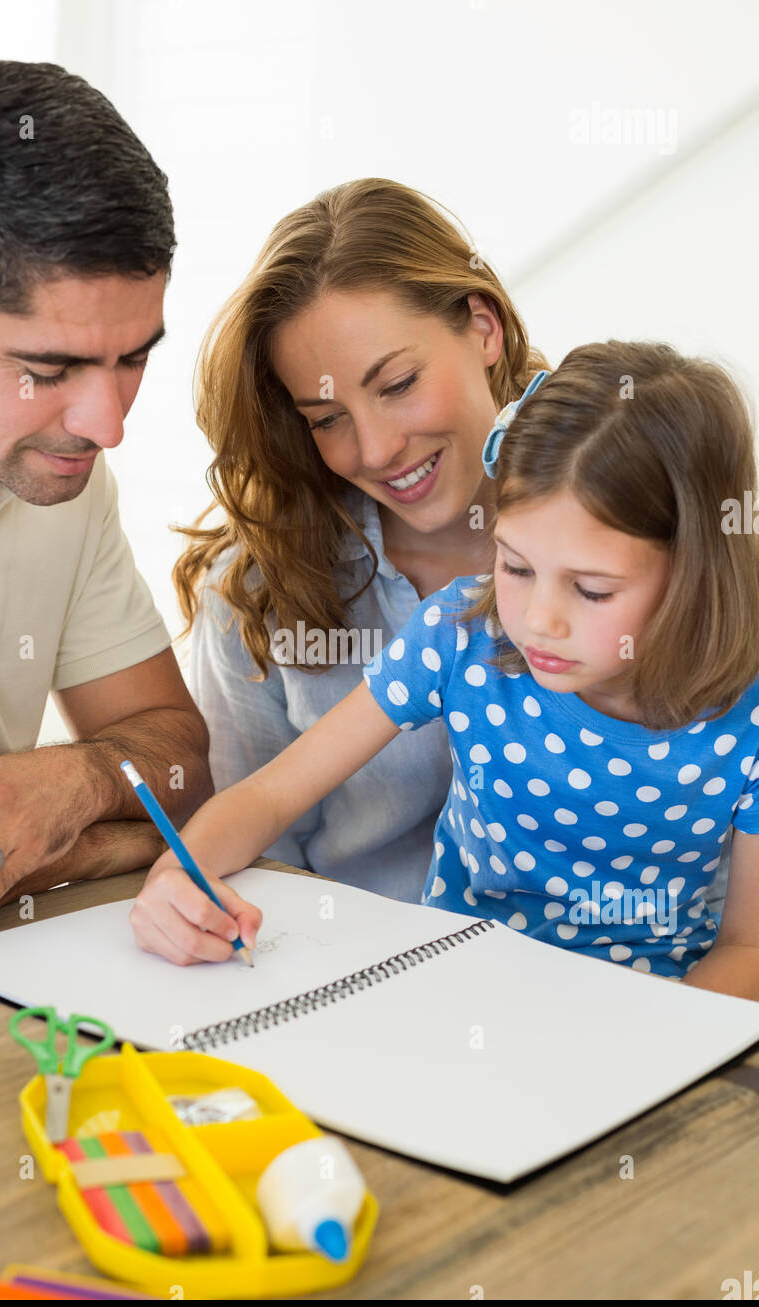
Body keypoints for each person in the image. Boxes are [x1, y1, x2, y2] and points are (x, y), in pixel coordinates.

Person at [130, 341, 759, 1003]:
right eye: (515, 567)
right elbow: (268, 797)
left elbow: (749, 949)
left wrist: (643, 1054)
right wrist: (178, 874)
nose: (539, 620)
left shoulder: (747, 716)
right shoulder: (458, 635)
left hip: (664, 1018)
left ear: (696, 575)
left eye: (592, 591)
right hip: (452, 1001)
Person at [0, 60, 213, 934]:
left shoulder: (61, 468)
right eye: (47, 370)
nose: (107, 426)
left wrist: (67, 783)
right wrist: (106, 835)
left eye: (134, 357)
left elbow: (181, 761)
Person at [176, 177, 549, 902]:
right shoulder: (256, 594)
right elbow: (255, 859)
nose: (375, 450)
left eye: (398, 382)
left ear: (483, 328)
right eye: (326, 418)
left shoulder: (634, 514)